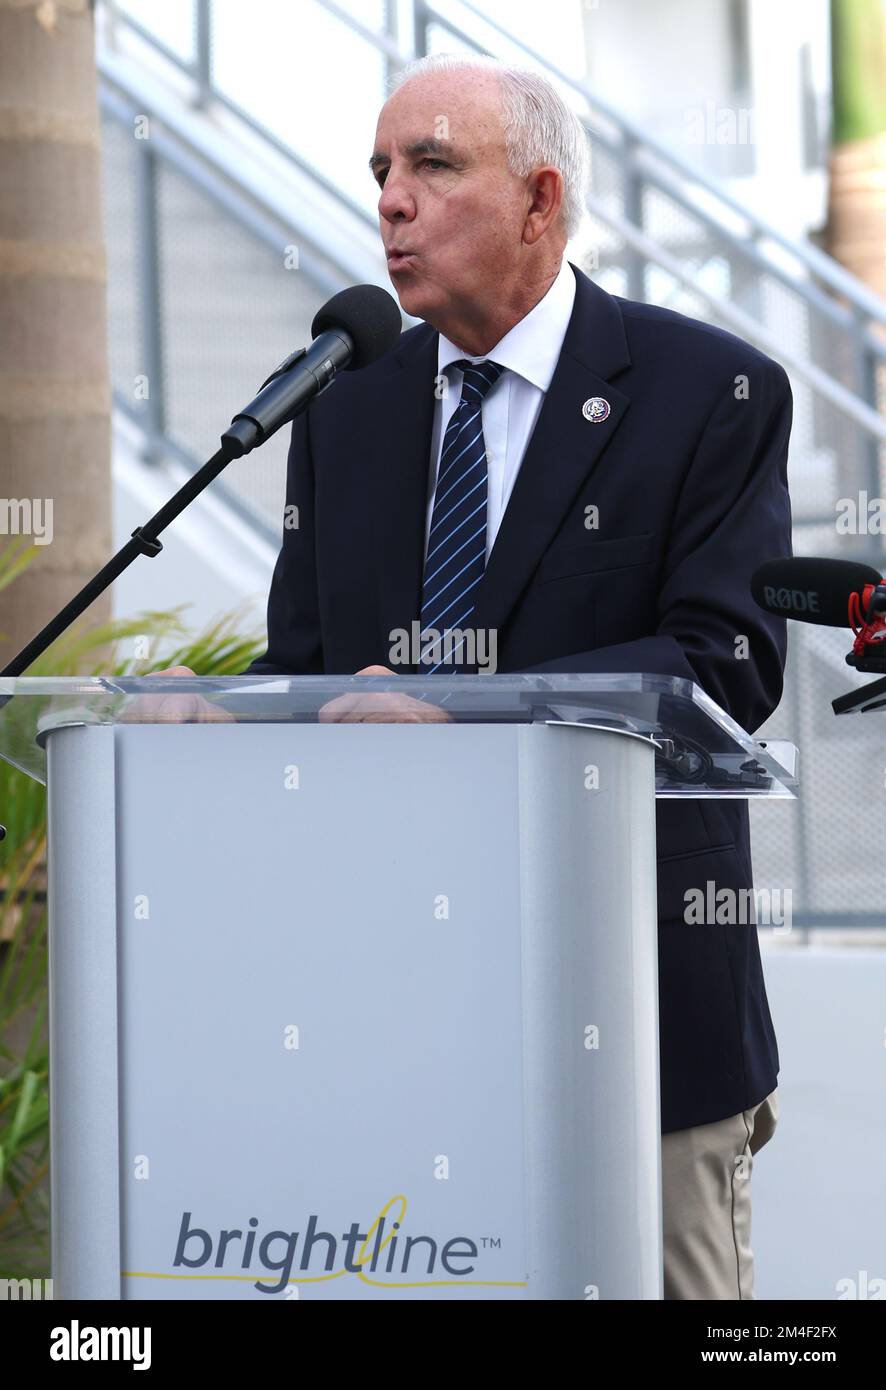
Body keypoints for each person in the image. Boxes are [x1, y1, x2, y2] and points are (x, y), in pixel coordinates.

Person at [155, 53, 791, 1299]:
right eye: (381, 171)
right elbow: (316, 676)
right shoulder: (345, 411)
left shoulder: (706, 390)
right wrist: (210, 719)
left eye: (432, 165)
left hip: (642, 1023)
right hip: (395, 1016)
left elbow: (723, 666)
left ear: (540, 199)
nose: (390, 199)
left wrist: (459, 712)